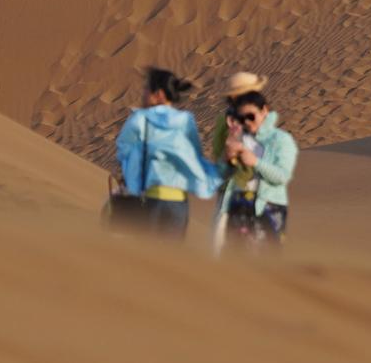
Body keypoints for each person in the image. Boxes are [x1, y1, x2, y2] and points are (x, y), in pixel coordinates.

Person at [114, 68, 219, 238]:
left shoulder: (140, 118)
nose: (143, 93)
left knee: (146, 256)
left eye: (147, 89)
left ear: (159, 95)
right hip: (178, 202)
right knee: (169, 258)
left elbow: (125, 153)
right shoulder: (186, 120)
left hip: (150, 201)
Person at [213, 73, 298, 247]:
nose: (246, 120)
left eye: (250, 116)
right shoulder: (227, 123)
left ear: (264, 110)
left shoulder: (278, 139)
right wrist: (228, 157)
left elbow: (282, 175)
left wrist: (255, 162)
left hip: (267, 205)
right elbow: (219, 165)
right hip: (234, 200)